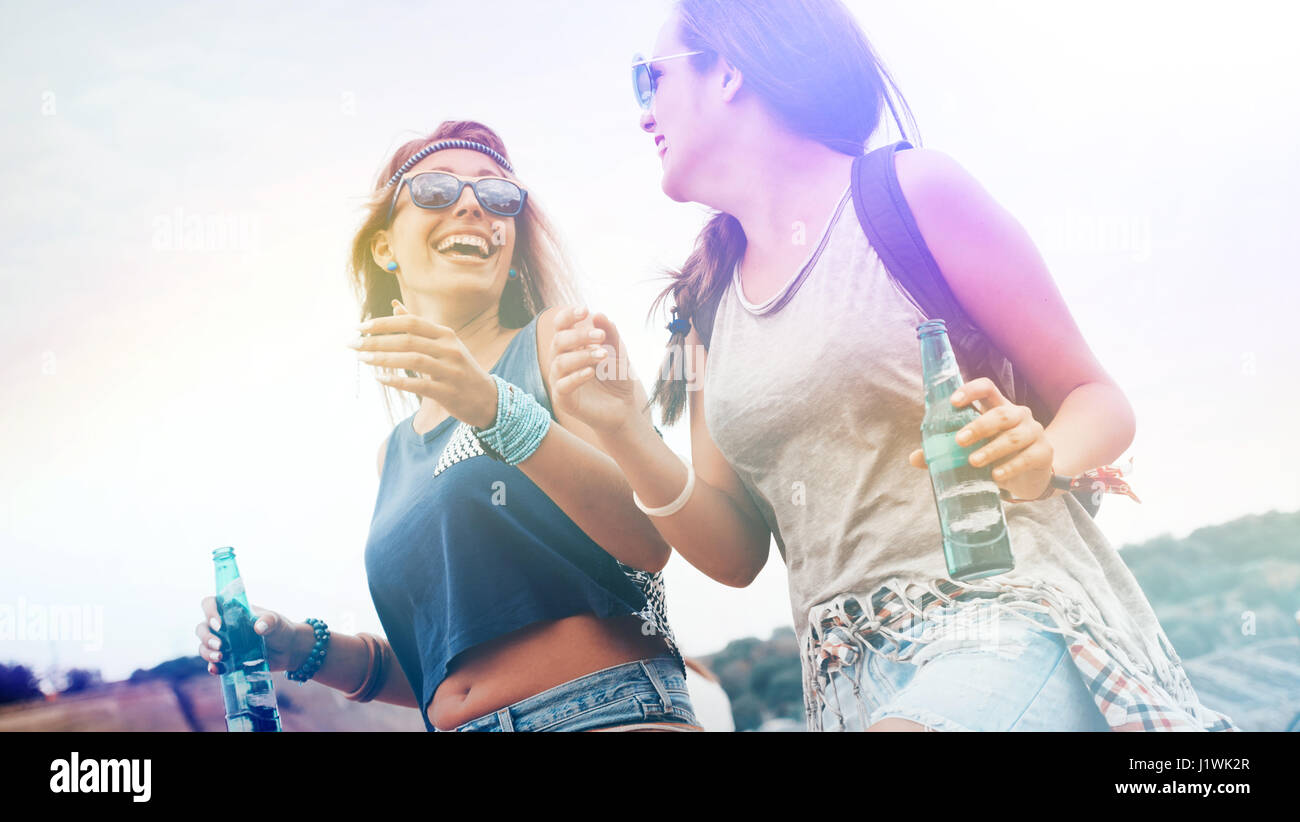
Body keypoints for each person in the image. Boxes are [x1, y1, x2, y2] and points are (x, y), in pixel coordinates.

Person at [548, 0, 1237, 731]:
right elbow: (736, 551)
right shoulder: (709, 307)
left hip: (1005, 619)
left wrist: (1046, 454)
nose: (645, 111)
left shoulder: (911, 194)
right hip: (846, 685)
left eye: (649, 78)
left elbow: (1097, 397)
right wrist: (625, 432)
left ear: (729, 72)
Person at [195, 120, 700, 732]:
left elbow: (646, 540)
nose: (470, 204)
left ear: (509, 247)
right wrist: (303, 649)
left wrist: (490, 405)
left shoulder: (559, 341)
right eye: (436, 190)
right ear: (385, 248)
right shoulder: (394, 454)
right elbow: (436, 664)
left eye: (497, 197)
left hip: (600, 712)